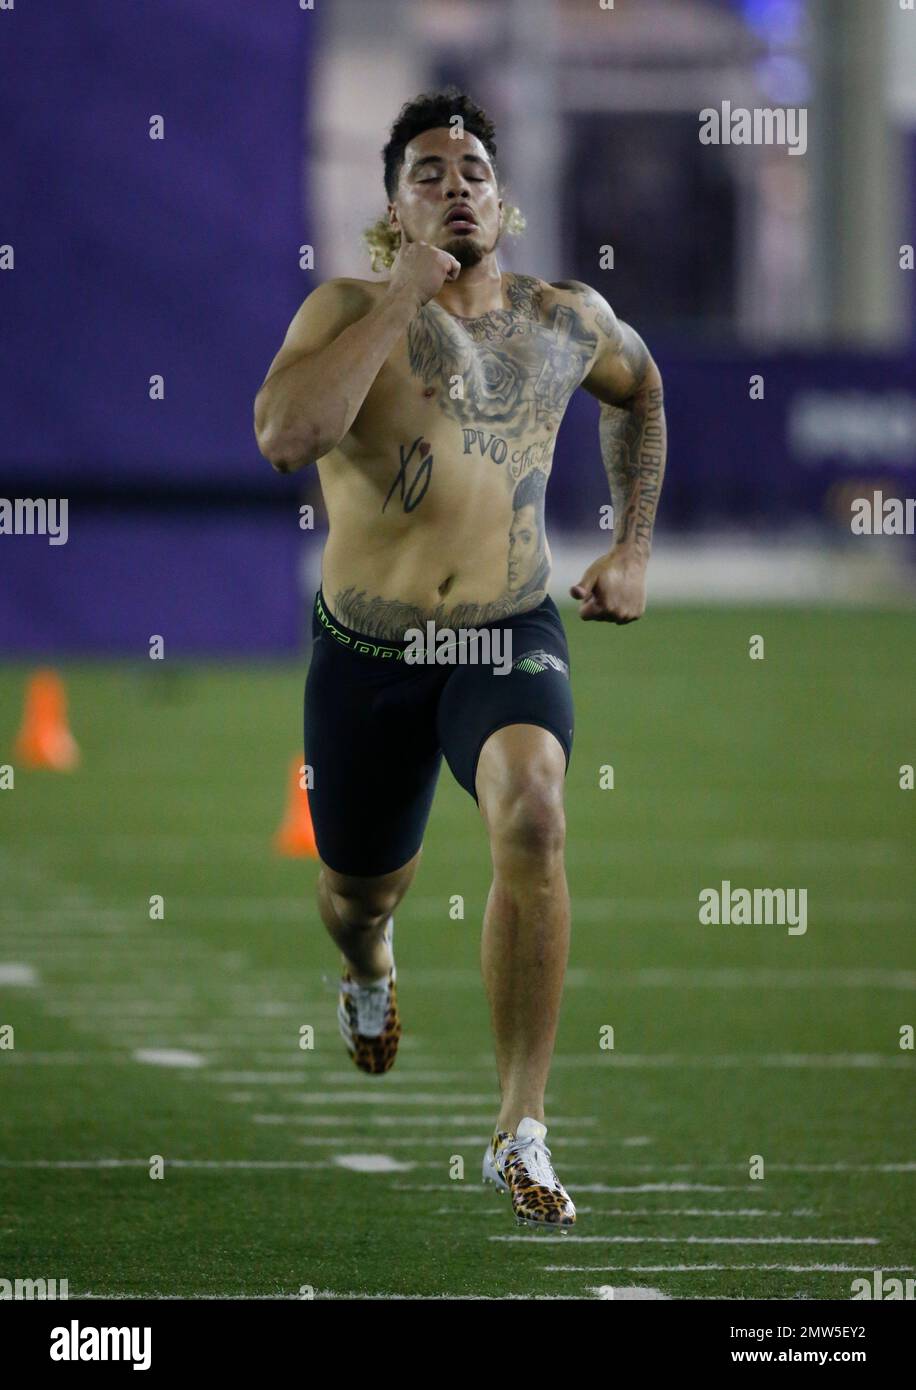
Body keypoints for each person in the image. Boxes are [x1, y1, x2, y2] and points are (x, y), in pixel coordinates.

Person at [254, 88, 667, 1229]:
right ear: (392, 207)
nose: (456, 186)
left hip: (505, 631)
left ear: (506, 200)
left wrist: (630, 547)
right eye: (427, 173)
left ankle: (518, 1128)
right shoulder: (343, 307)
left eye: (474, 170)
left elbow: (640, 390)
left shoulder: (564, 318)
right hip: (368, 652)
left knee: (533, 812)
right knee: (352, 892)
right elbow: (288, 436)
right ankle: (371, 966)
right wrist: (396, 297)